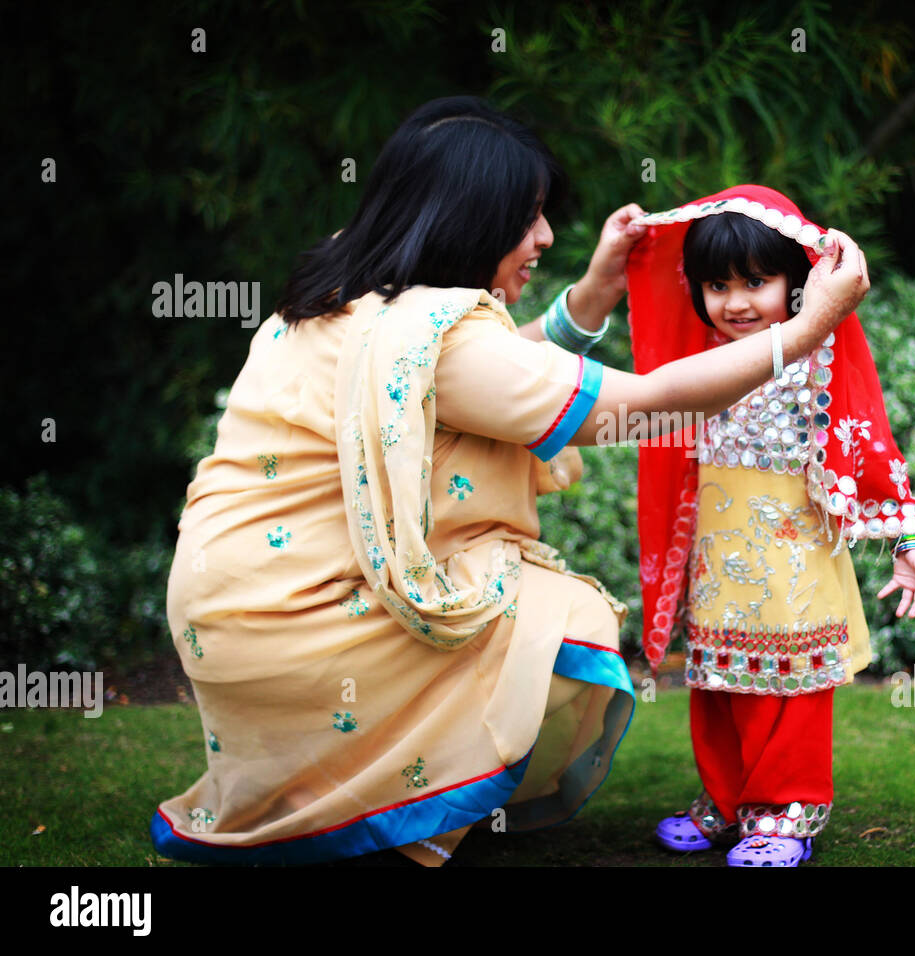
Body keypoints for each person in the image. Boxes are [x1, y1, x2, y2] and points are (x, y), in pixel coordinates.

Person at [150, 102, 871, 866]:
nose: (545, 238)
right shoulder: (444, 336)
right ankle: (392, 812)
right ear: (470, 221)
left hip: (228, 614)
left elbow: (500, 371)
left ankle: (331, 801)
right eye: (528, 218)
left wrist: (594, 288)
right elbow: (646, 405)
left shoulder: (343, 293)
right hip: (310, 618)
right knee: (566, 622)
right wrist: (806, 327)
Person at [625, 184, 915, 867]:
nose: (735, 302)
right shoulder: (701, 364)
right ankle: (727, 802)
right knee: (717, 684)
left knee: (791, 690)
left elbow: (869, 439)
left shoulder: (815, 361)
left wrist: (908, 541)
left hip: (795, 564)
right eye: (716, 284)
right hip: (720, 563)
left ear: (799, 283)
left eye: (756, 282)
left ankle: (787, 811)